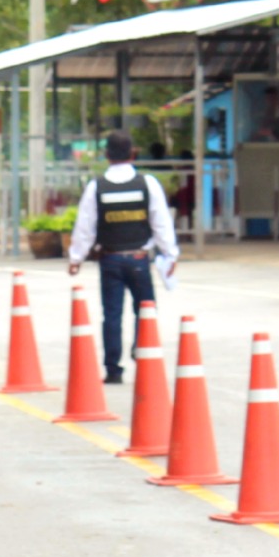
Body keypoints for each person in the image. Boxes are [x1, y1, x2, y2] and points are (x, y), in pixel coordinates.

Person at [67, 129, 178, 385]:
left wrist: (76, 259)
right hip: (139, 259)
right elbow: (161, 222)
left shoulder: (97, 186)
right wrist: (170, 254)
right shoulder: (147, 184)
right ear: (133, 153)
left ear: (106, 155)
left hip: (110, 260)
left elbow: (85, 226)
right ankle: (141, 350)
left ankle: (113, 369)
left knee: (112, 314)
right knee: (146, 310)